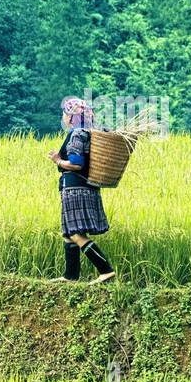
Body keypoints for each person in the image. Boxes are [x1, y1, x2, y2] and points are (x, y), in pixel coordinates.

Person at [47, 97, 116, 284]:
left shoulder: (77, 134)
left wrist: (58, 160)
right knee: (69, 233)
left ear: (72, 117)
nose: (64, 117)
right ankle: (71, 276)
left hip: (76, 187)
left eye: (66, 114)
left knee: (76, 233)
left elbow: (77, 164)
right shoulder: (91, 132)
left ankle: (105, 270)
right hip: (86, 186)